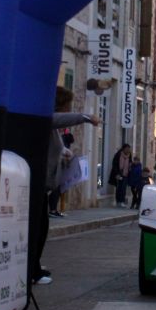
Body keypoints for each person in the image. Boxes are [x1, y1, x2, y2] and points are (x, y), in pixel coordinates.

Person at [35, 87, 101, 285]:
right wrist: (86, 117)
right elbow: (57, 119)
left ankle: (35, 266)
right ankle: (33, 271)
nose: (70, 108)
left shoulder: (52, 128)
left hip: (44, 185)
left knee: (41, 227)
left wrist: (64, 151)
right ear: (61, 105)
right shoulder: (47, 118)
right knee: (38, 228)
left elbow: (54, 142)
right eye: (68, 105)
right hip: (38, 183)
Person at [108, 143, 132, 207]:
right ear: (123, 149)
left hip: (125, 173)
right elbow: (115, 164)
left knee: (123, 188)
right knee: (119, 188)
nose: (128, 150)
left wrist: (130, 167)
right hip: (119, 173)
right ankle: (118, 201)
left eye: (129, 149)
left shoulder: (129, 155)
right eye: (127, 149)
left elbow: (130, 162)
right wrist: (117, 173)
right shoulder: (118, 154)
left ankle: (122, 201)